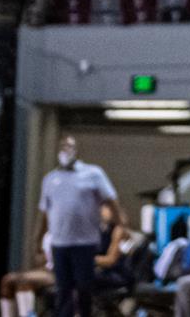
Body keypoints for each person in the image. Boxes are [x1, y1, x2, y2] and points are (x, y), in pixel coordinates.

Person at [36, 135, 119, 317]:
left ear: (77, 149)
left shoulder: (93, 174)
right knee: (63, 288)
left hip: (84, 242)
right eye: (63, 146)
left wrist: (121, 223)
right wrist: (38, 241)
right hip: (60, 242)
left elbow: (111, 199)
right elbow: (44, 213)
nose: (66, 150)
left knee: (83, 287)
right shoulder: (50, 179)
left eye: (70, 146)